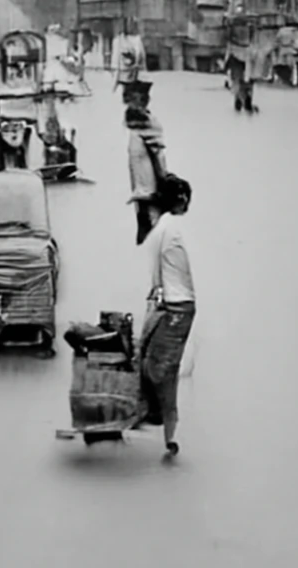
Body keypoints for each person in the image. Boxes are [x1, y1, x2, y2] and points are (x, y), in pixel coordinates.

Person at [138, 175, 195, 458]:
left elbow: (159, 279)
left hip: (175, 308)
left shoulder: (166, 229)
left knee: (157, 367)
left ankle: (161, 420)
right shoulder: (173, 228)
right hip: (174, 306)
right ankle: (168, 431)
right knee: (159, 366)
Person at [124, 80, 167, 244]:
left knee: (151, 233)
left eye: (132, 99)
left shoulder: (147, 124)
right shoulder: (135, 126)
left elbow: (159, 157)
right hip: (141, 190)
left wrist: (163, 181)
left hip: (150, 190)